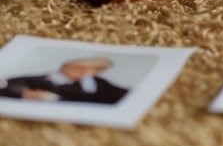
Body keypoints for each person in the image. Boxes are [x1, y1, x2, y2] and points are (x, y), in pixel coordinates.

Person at [0, 57, 128, 104]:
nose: (85, 72)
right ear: (67, 65)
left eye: (96, 70)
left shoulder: (99, 84)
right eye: (81, 67)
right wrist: (24, 94)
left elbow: (124, 94)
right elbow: (8, 88)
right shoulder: (31, 80)